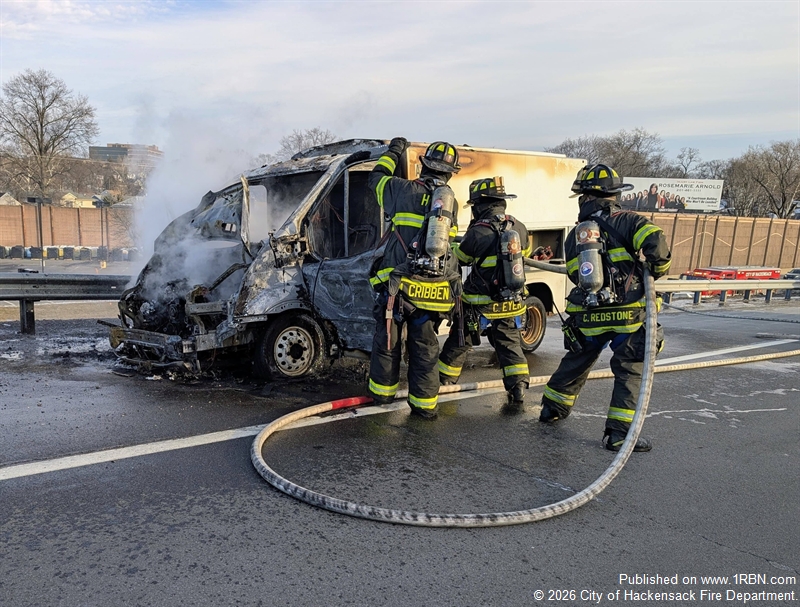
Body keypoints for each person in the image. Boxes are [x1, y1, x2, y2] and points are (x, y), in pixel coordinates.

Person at [539, 163, 672, 451]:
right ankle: (619, 435)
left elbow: (577, 274)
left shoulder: (577, 234)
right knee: (630, 369)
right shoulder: (630, 221)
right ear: (615, 194)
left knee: (577, 360)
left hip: (588, 313)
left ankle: (552, 408)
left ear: (584, 197)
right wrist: (655, 269)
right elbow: (658, 245)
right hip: (628, 315)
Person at [366, 138, 462, 419]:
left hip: (399, 288)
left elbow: (376, 179)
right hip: (433, 289)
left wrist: (394, 151)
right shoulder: (449, 204)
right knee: (425, 347)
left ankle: (383, 396)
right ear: (449, 172)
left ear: (423, 166)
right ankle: (424, 406)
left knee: (388, 342)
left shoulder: (401, 189)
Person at [437, 177, 532, 411]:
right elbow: (526, 252)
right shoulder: (519, 227)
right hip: (512, 301)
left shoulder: (479, 231)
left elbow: (463, 258)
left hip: (479, 303)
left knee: (460, 341)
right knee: (509, 343)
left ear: (480, 205)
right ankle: (518, 387)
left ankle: (444, 382)